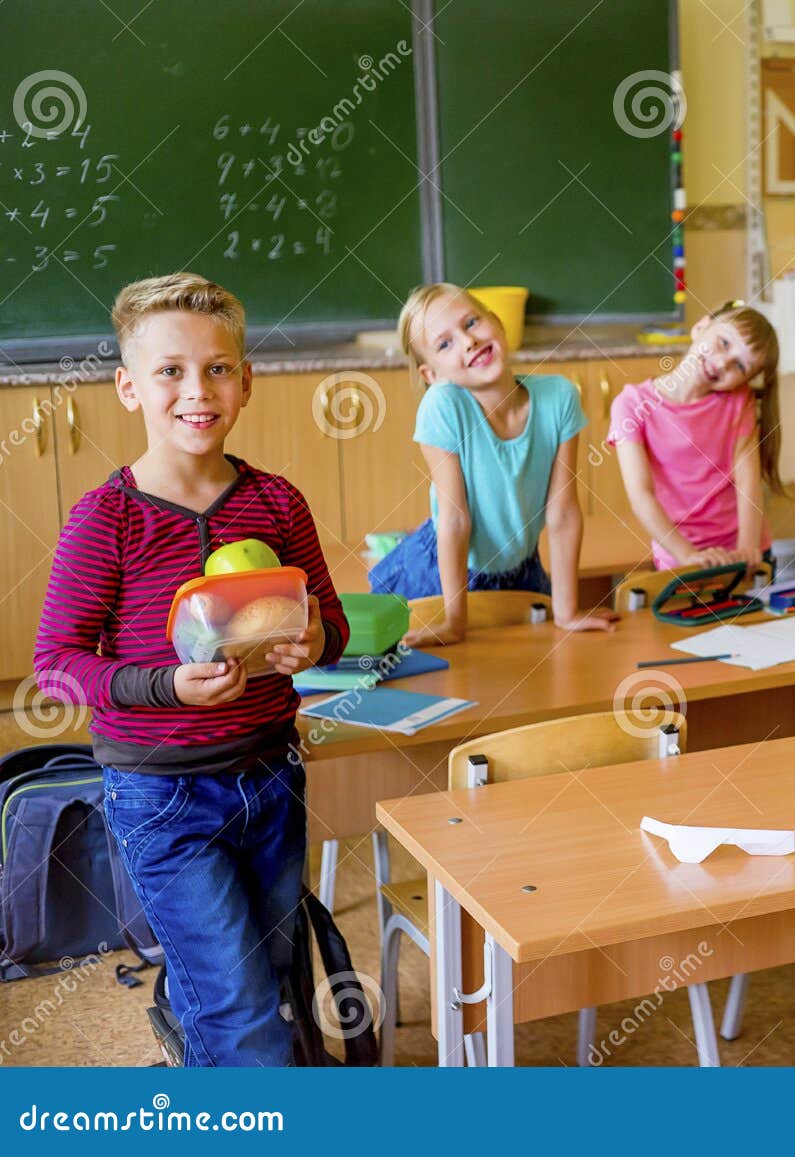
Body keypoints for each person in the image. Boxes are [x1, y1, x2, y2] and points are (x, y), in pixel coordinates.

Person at [34, 272, 349, 1065]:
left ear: (246, 381)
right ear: (129, 387)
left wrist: (312, 647)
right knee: (246, 1018)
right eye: (169, 369)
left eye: (216, 368)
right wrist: (163, 686)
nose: (195, 389)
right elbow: (57, 667)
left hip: (272, 775)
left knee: (269, 976)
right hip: (161, 793)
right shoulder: (108, 518)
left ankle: (192, 1022)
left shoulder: (276, 503)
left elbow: (333, 625)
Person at [370, 283, 616, 643]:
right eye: (444, 344)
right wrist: (454, 623)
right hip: (442, 572)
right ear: (432, 375)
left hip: (521, 569)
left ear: (498, 323)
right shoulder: (443, 407)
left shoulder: (559, 397)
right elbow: (455, 518)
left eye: (471, 322)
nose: (467, 341)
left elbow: (562, 512)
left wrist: (567, 611)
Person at [608, 300, 782, 571]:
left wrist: (747, 548)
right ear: (701, 327)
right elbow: (641, 495)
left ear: (744, 381)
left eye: (740, 366)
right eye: (724, 343)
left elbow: (748, 482)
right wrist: (686, 555)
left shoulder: (739, 402)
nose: (723, 362)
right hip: (680, 557)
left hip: (742, 555)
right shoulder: (630, 405)